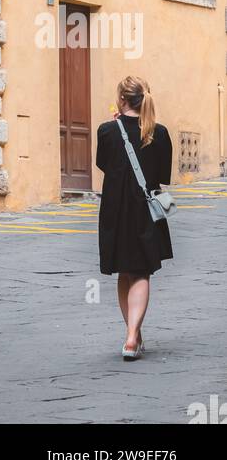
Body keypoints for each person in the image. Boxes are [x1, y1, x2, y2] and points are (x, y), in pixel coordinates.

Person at [96, 76, 173, 360]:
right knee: (141, 271)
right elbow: (163, 175)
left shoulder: (106, 131)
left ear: (121, 99)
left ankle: (131, 336)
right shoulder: (160, 133)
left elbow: (103, 164)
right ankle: (133, 337)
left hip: (115, 208)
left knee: (123, 271)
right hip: (146, 209)